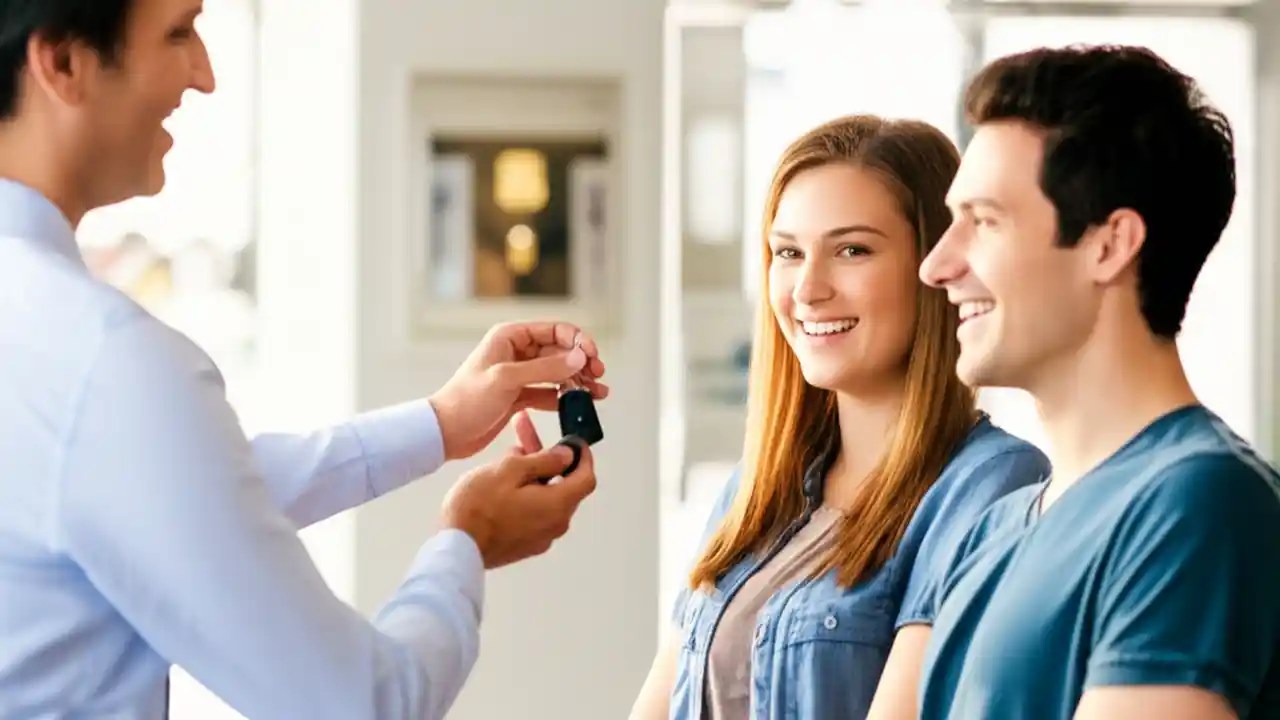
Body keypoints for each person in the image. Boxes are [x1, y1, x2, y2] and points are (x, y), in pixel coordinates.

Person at [0, 0, 606, 717]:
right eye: (178, 33)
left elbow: (177, 495)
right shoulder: (104, 359)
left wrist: (440, 424)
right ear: (63, 62)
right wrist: (468, 542)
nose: (205, 75)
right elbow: (365, 703)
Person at [900, 45, 1280, 720]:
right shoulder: (991, 533)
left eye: (984, 221)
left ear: (1108, 245)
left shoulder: (1196, 502)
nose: (936, 265)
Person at [628, 115, 1049, 719]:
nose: (807, 289)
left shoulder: (992, 485)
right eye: (788, 253)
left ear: (936, 268)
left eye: (852, 250)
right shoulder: (756, 488)